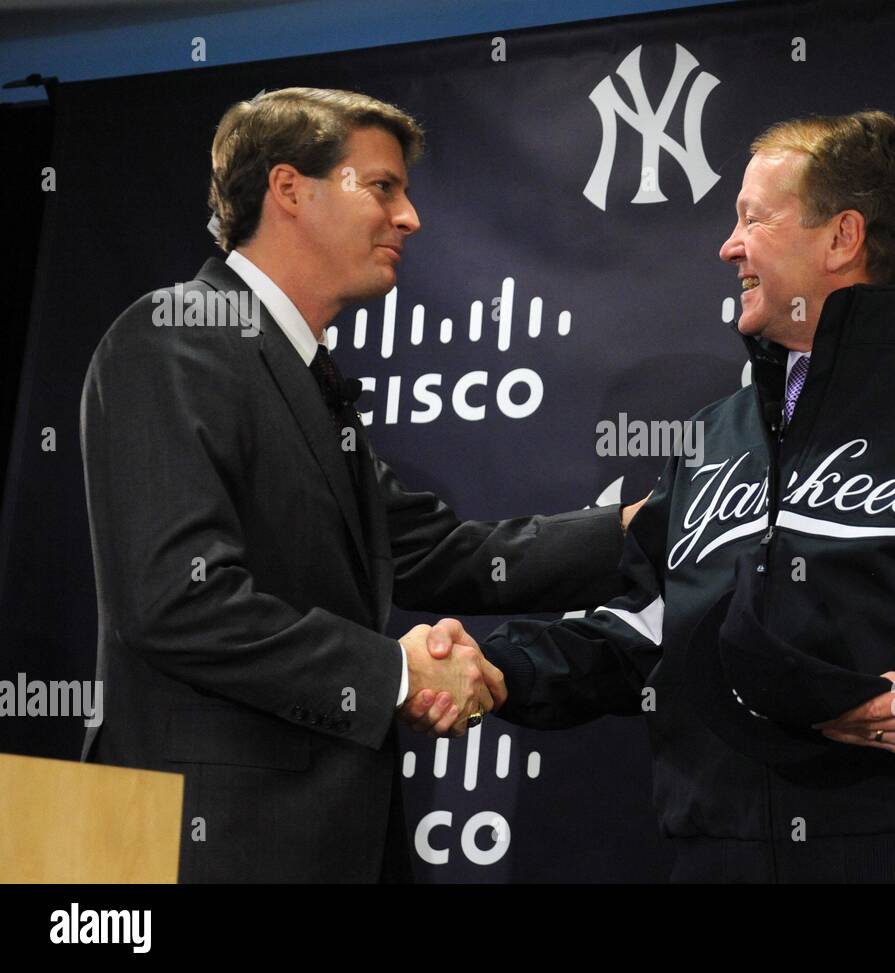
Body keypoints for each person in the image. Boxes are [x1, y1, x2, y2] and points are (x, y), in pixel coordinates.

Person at [416, 108, 895, 882]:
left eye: (752, 220)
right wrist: (498, 667)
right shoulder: (718, 433)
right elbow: (645, 628)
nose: (728, 246)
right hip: (718, 854)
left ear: (842, 238)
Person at [79, 87, 638, 883]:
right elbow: (176, 600)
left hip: (322, 840)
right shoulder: (173, 336)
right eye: (382, 186)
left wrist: (638, 531)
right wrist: (399, 673)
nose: (409, 217)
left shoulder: (299, 372)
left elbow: (435, 552)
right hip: (190, 846)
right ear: (289, 189)